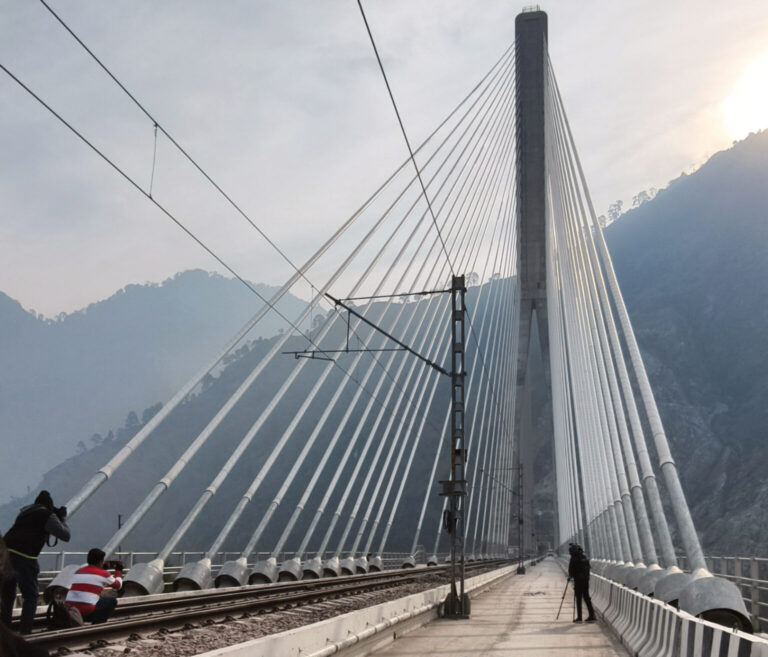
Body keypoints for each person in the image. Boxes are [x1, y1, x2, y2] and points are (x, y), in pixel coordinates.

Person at [1, 490, 71, 634]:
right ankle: (25, 634)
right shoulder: (47, 515)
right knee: (31, 596)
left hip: (5, 553)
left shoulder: (24, 513)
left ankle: (5, 634)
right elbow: (65, 535)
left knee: (7, 596)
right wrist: (62, 519)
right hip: (24, 556)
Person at [65, 549, 123, 624]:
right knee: (112, 601)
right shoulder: (103, 574)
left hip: (71, 611)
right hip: (87, 613)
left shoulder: (78, 571)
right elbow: (118, 585)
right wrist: (118, 570)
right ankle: (99, 623)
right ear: (101, 561)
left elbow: (91, 579)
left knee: (96, 597)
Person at [568, 543, 596, 622]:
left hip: (578, 581)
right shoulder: (585, 557)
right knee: (587, 598)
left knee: (579, 598)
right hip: (585, 580)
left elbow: (571, 570)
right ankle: (592, 615)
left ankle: (579, 617)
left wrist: (570, 576)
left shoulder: (574, 558)